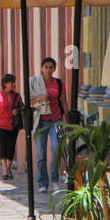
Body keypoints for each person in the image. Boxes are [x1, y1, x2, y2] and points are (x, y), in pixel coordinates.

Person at [29, 57, 68, 192]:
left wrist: (66, 119)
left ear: (54, 69)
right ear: (42, 68)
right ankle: (42, 183)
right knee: (41, 154)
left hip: (55, 119)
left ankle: (54, 180)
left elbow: (64, 101)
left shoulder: (58, 83)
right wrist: (40, 98)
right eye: (46, 67)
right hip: (40, 121)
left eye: (51, 67)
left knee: (56, 149)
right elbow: (28, 101)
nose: (49, 69)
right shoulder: (34, 82)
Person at [0, 76, 23, 180]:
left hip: (13, 125)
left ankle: (8, 168)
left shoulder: (17, 96)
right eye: (11, 82)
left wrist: (17, 110)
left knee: (11, 147)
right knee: (4, 146)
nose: (13, 84)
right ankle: (5, 170)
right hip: (0, 125)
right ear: (5, 83)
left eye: (14, 82)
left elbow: (22, 108)